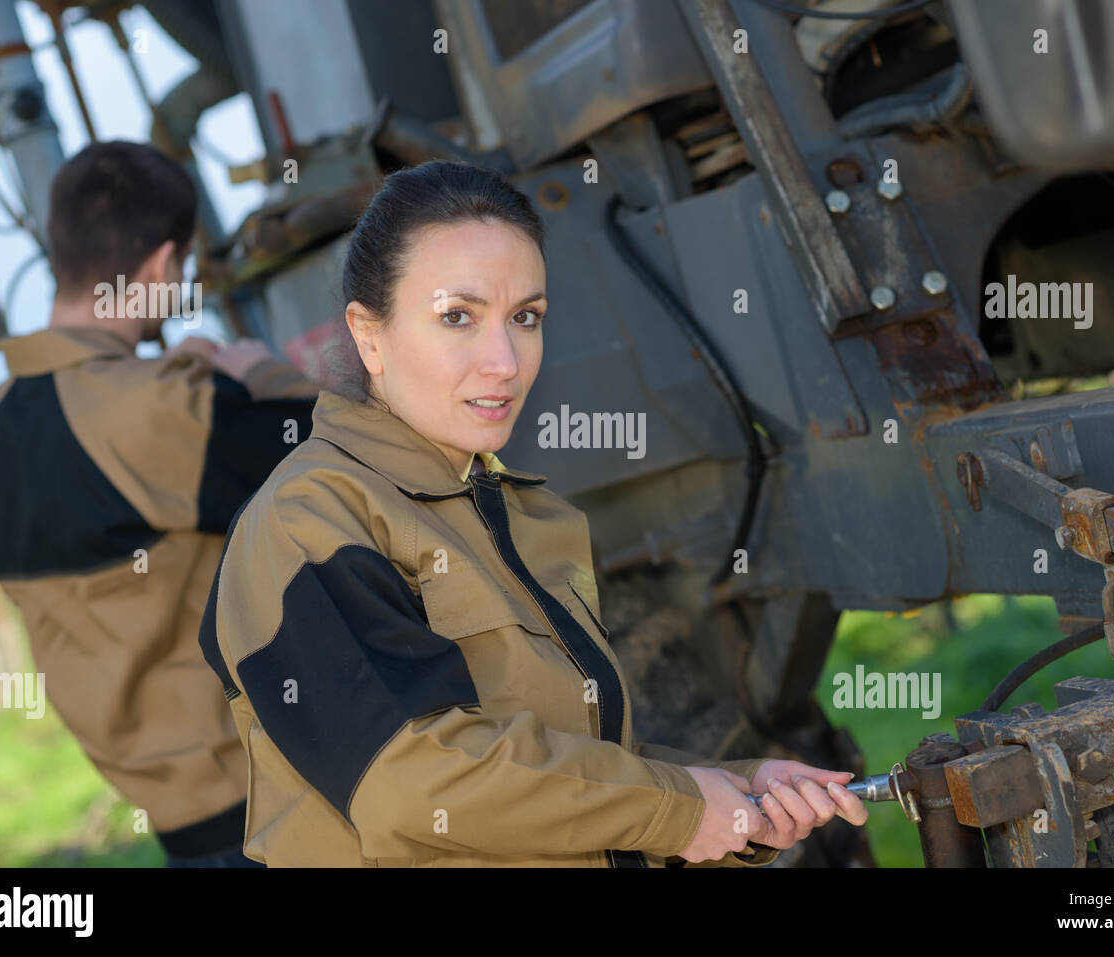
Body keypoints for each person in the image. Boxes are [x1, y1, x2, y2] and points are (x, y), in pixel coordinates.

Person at [198, 159, 867, 866]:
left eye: (526, 317)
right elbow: (412, 782)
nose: (505, 360)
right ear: (368, 335)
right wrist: (673, 810)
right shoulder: (307, 520)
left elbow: (565, 766)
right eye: (457, 316)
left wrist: (738, 793)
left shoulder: (523, 511)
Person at [0, 141, 319, 866]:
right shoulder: (154, 412)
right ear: (161, 267)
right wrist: (266, 373)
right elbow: (347, 456)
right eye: (181, 269)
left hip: (182, 827)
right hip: (280, 810)